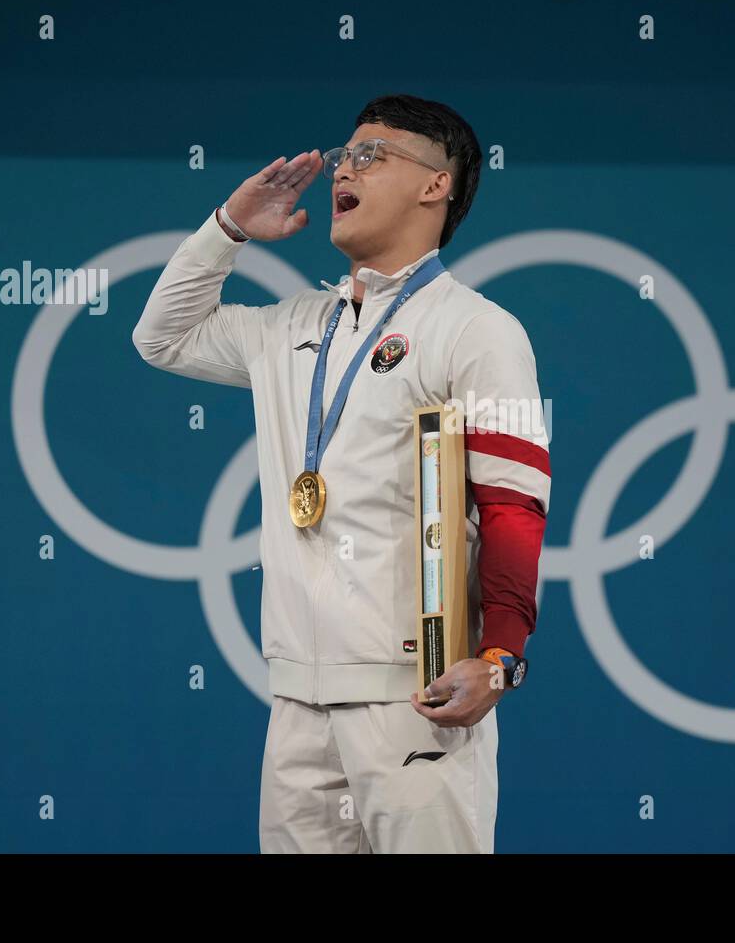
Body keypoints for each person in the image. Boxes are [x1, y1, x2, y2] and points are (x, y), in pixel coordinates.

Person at [131, 93, 550, 853]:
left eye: (371, 155)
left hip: (415, 699)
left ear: (436, 185)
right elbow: (162, 337)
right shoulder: (290, 328)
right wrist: (227, 229)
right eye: (343, 154)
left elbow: (514, 506)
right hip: (295, 700)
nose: (341, 171)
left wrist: (501, 657)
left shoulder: (479, 330)